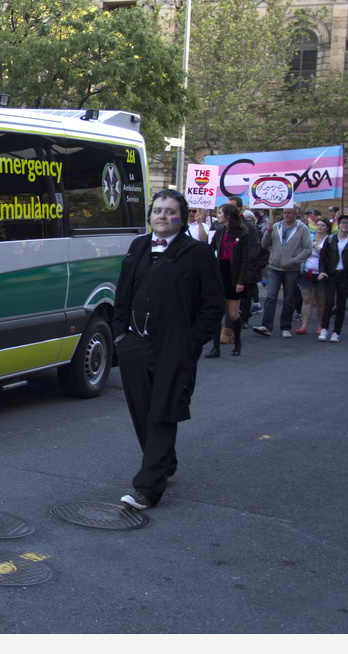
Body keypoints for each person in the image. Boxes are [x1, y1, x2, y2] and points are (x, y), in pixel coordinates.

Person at [112, 189, 224, 511]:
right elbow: (122, 296)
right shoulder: (138, 247)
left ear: (183, 216)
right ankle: (164, 462)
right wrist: (121, 337)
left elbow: (212, 306)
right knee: (144, 413)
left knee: (162, 412)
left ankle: (147, 487)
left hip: (174, 350)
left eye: (170, 211)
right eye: (158, 210)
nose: (162, 216)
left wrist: (191, 343)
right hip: (135, 346)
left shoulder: (198, 253)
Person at [253, 205, 312, 338]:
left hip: (291, 269)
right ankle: (266, 326)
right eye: (285, 212)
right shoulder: (276, 226)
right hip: (275, 267)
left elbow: (307, 249)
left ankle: (285, 326)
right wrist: (267, 231)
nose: (286, 215)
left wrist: (293, 260)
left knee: (289, 298)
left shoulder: (302, 228)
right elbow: (264, 244)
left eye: (289, 213)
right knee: (271, 296)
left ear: (296, 214)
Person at [205, 203, 250, 357]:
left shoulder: (243, 234)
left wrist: (241, 281)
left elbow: (245, 259)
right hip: (220, 272)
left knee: (232, 314)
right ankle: (215, 347)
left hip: (234, 275)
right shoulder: (219, 231)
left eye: (220, 213)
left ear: (228, 216)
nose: (218, 216)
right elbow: (210, 249)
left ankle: (237, 342)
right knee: (217, 312)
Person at [318, 213, 348, 342]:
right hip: (331, 275)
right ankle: (324, 329)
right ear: (339, 225)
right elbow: (322, 258)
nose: (345, 225)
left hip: (345, 276)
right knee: (329, 302)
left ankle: (336, 332)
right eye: (343, 223)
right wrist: (322, 271)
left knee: (341, 305)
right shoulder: (330, 239)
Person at [298, 217, 330, 335]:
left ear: (327, 228)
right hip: (307, 272)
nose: (319, 227)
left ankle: (321, 326)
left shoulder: (329, 239)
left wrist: (315, 246)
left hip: (322, 274)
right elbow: (303, 250)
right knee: (307, 300)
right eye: (318, 225)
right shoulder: (310, 237)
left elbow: (325, 253)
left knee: (321, 302)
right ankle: (304, 326)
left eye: (322, 225)